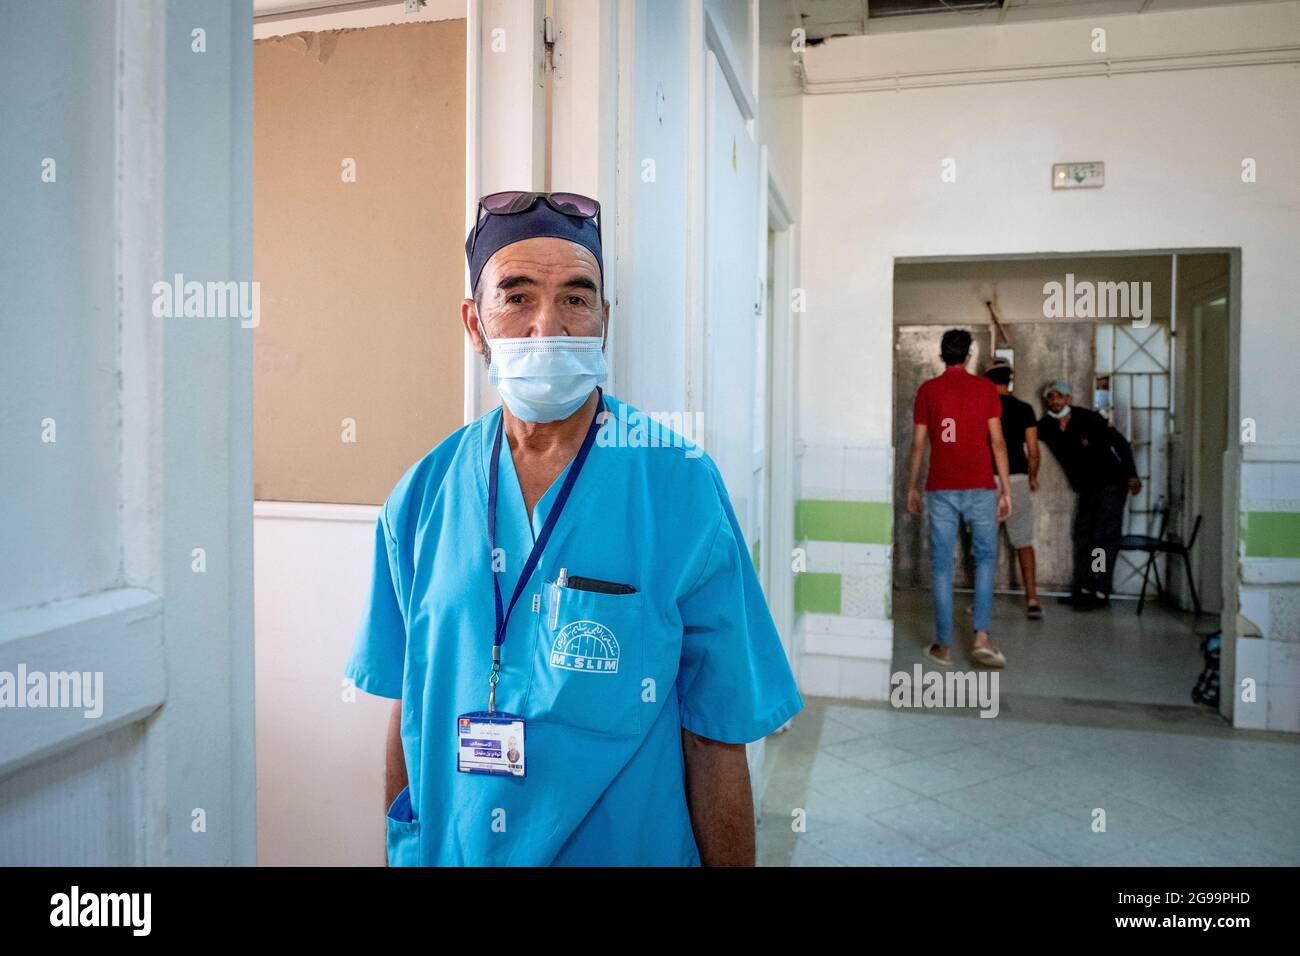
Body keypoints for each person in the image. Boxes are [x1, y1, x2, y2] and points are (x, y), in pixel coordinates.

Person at [343, 191, 802, 867]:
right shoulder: (422, 495)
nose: (548, 327)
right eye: (518, 297)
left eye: (576, 300)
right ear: (474, 324)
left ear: (603, 321)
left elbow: (714, 735)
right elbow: (409, 704)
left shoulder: (677, 485)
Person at [906, 329, 1013, 669]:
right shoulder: (985, 389)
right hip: (981, 486)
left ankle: (943, 646)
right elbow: (997, 443)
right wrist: (1006, 488)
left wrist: (911, 485)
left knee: (941, 565)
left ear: (941, 355)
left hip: (941, 488)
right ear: (969, 356)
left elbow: (919, 445)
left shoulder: (928, 390)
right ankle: (981, 636)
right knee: (984, 559)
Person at [1036, 380, 1142, 610]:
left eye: (1059, 396)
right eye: (1051, 397)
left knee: (1102, 539)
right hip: (1086, 487)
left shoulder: (1089, 418)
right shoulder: (1046, 426)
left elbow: (1120, 443)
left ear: (1068, 399)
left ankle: (1100, 591)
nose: (1055, 401)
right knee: (1083, 536)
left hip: (1111, 483)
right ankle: (1082, 589)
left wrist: (1132, 474)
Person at [983, 361, 1043, 620]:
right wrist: (1032, 477)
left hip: (985, 482)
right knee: (1023, 542)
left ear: (987, 381)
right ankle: (1032, 600)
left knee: (984, 545)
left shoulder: (982, 407)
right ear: (1009, 380)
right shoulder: (1025, 409)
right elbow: (1034, 452)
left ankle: (982, 602)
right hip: (1017, 479)